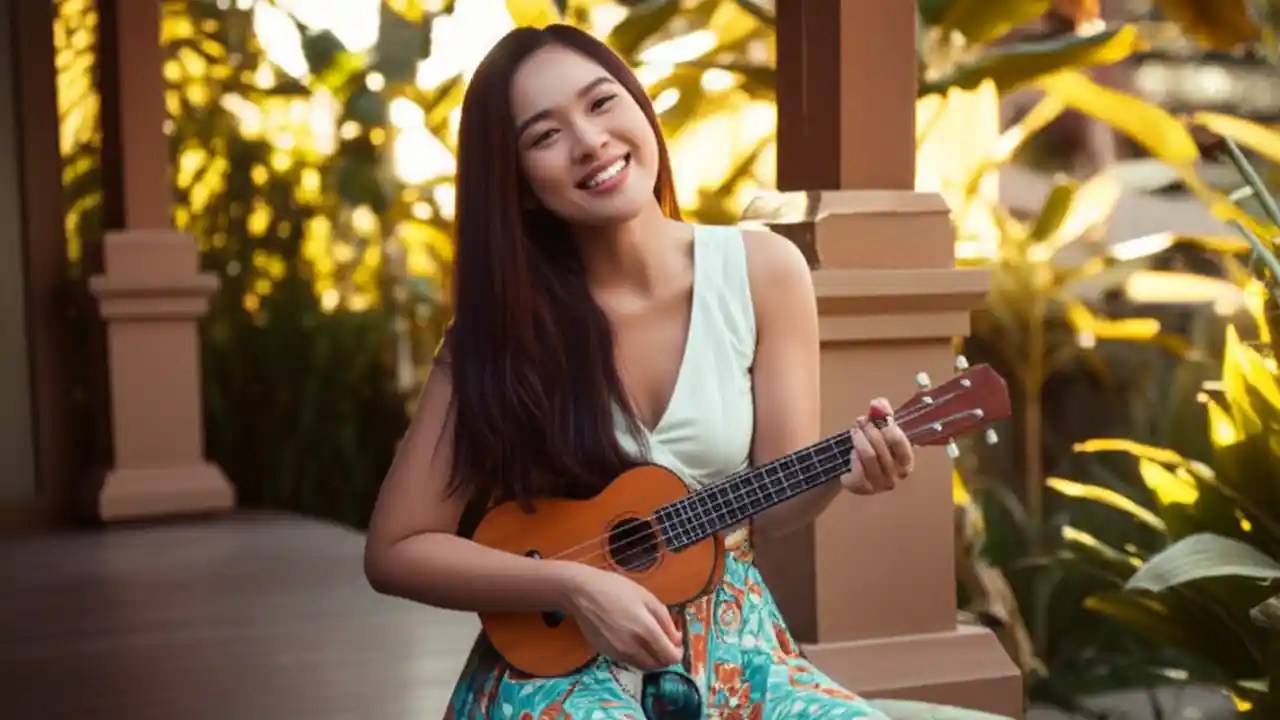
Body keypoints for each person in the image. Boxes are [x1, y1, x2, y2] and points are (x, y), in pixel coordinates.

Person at [363, 23, 915, 720]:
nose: (590, 141)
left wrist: (842, 474)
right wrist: (573, 587)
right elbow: (396, 550)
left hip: (737, 647)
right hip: (560, 664)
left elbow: (773, 508)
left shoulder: (764, 272)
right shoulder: (499, 334)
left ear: (641, 109)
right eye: (545, 135)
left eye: (601, 103)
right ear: (520, 185)